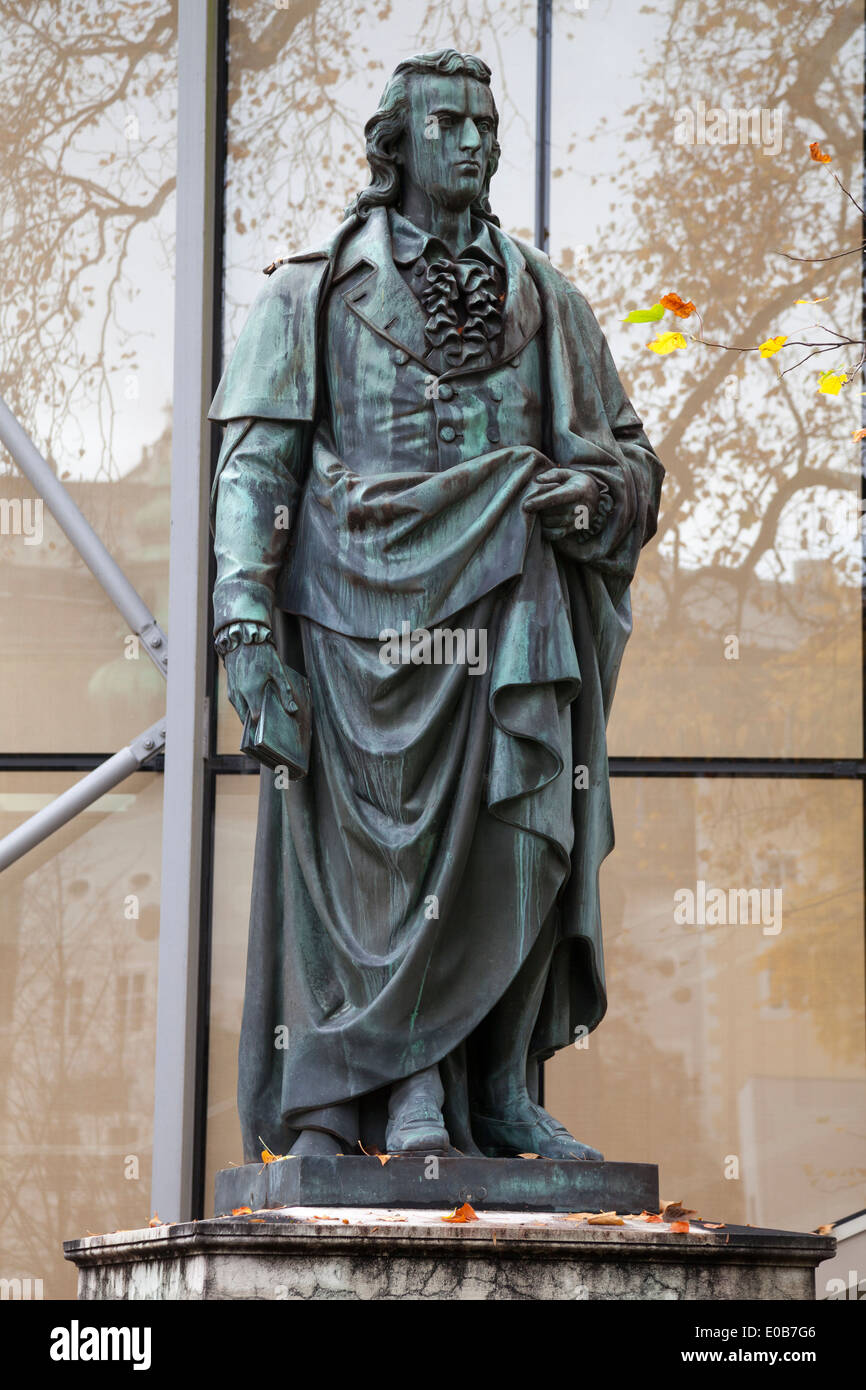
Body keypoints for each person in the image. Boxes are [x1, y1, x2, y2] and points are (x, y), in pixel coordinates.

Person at [209, 49, 664, 1162]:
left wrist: (594, 490)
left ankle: (500, 1087)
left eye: (486, 123)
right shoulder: (307, 290)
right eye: (449, 123)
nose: (474, 142)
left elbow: (635, 461)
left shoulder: (547, 298)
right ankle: (403, 1084)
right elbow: (256, 471)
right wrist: (244, 628)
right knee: (390, 861)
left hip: (515, 599)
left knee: (524, 826)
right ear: (395, 144)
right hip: (365, 620)